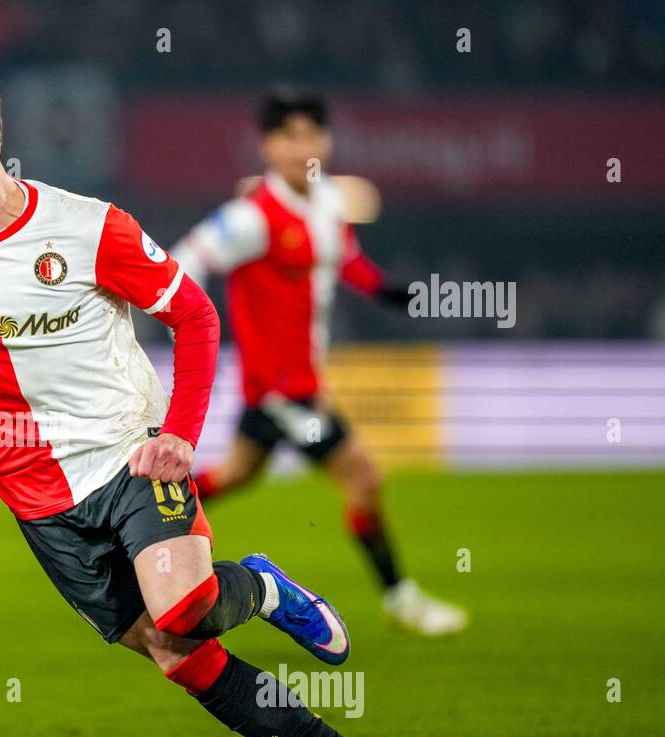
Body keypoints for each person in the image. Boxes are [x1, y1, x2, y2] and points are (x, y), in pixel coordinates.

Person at [0, 67, 416, 737]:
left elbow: (195, 318)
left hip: (128, 457)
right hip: (34, 498)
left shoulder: (91, 228)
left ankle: (258, 588)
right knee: (182, 659)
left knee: (183, 607)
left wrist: (179, 437)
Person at [171, 88, 468, 637]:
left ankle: (149, 511)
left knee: (235, 475)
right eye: (291, 136)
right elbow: (185, 260)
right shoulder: (250, 217)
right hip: (282, 394)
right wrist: (186, 328)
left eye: (314, 134)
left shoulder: (330, 201)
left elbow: (348, 260)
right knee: (363, 475)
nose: (304, 146)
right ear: (267, 145)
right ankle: (400, 597)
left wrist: (394, 294)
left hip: (304, 383)